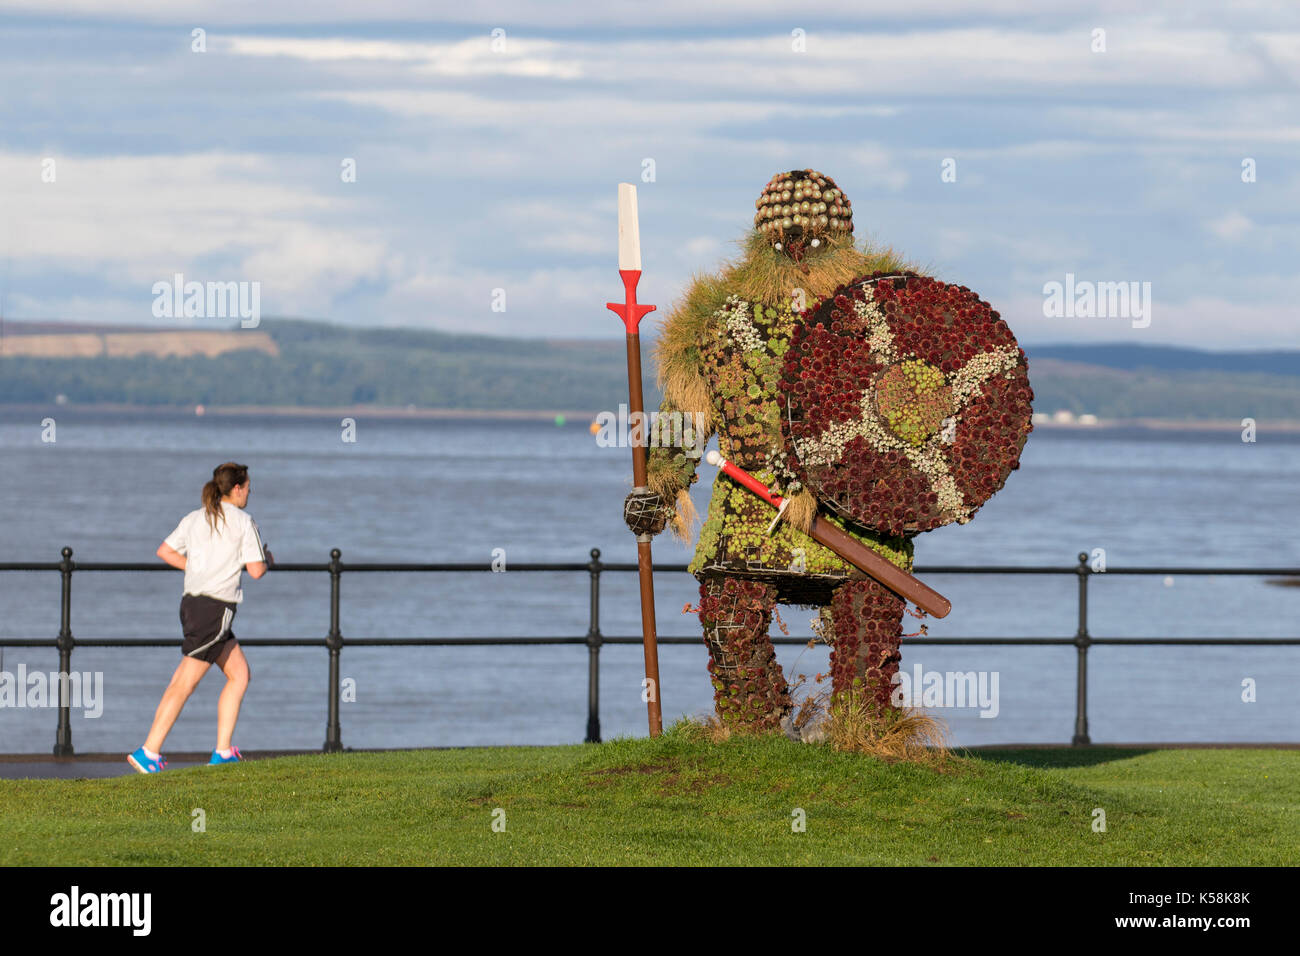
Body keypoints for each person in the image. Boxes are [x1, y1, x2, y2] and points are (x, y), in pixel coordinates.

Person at [128, 462, 273, 773]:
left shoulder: (195, 518)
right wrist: (268, 557)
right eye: (248, 487)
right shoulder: (244, 522)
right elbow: (258, 570)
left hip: (193, 605)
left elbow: (164, 551)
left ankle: (223, 752)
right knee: (183, 682)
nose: (250, 492)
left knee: (240, 675)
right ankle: (148, 751)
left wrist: (197, 569)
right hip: (215, 611)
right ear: (237, 488)